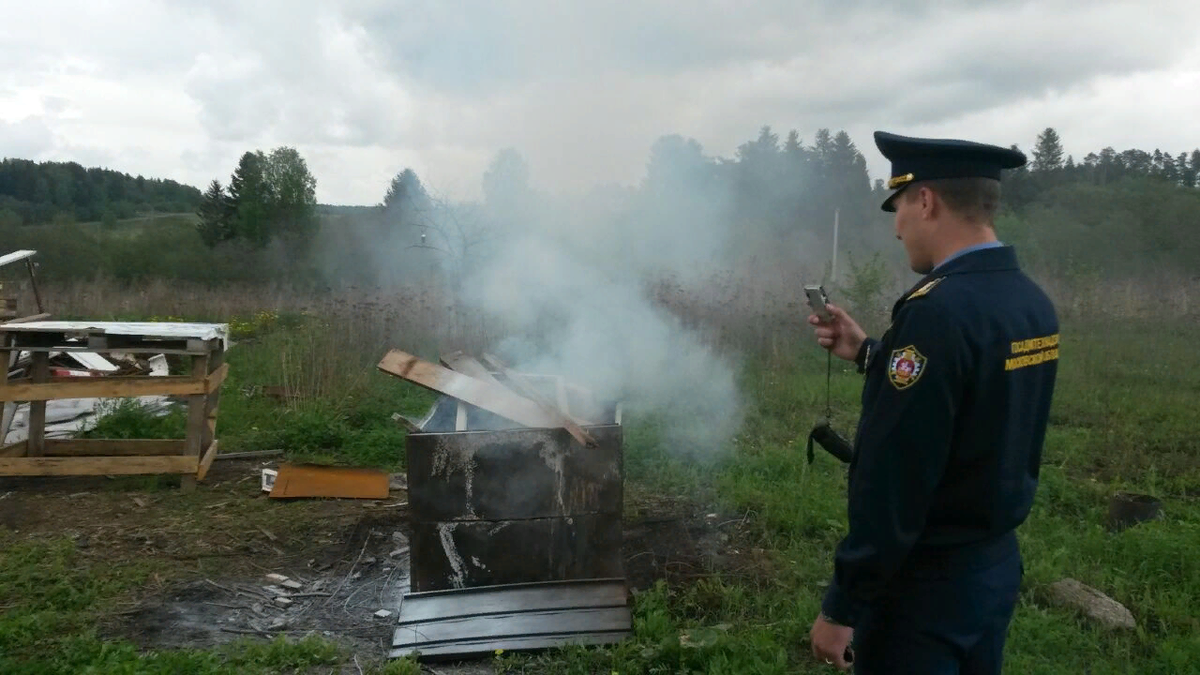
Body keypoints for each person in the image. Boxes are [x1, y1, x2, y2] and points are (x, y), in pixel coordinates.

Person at [807, 131, 1060, 673]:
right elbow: (969, 399)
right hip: (992, 568)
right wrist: (871, 353)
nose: (896, 227)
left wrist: (843, 605)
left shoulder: (935, 313)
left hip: (923, 589)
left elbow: (895, 477)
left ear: (925, 200)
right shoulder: (1029, 302)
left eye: (898, 206)